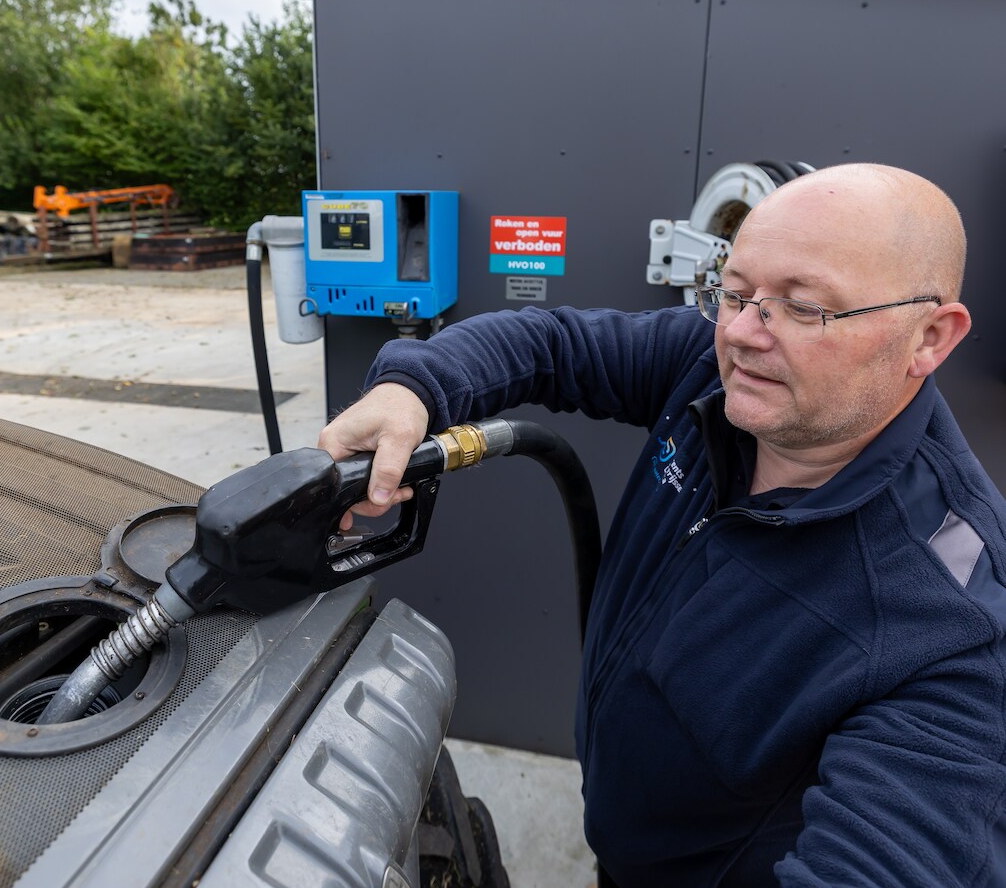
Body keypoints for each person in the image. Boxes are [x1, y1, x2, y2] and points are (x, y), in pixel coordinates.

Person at [317, 164, 1006, 886]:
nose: (742, 334)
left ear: (930, 337)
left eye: (804, 308)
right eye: (733, 291)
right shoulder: (719, 370)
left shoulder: (952, 626)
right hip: (622, 839)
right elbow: (551, 343)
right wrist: (412, 389)